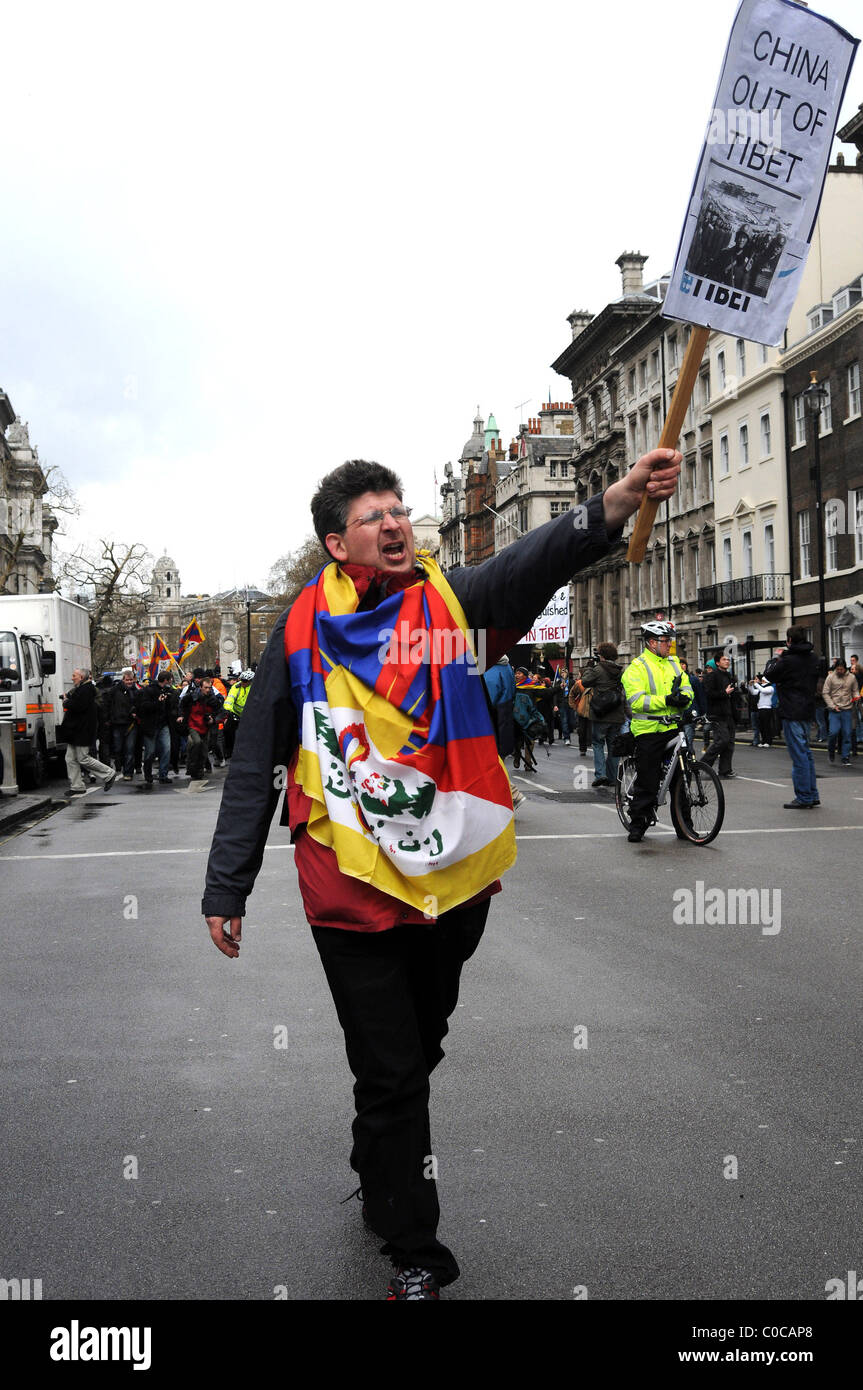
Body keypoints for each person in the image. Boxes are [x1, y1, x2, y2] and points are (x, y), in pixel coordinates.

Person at [201, 448, 681, 1299]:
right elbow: (254, 759)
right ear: (334, 545)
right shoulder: (299, 632)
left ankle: (376, 1147)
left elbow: (530, 560)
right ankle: (416, 1254)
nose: (394, 523)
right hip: (346, 884)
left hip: (449, 876)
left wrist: (612, 502)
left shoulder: (451, 605)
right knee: (392, 1071)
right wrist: (225, 886)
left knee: (419, 1048)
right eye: (373, 516)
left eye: (399, 508)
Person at [620, 621, 692, 842]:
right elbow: (636, 700)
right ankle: (638, 823)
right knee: (648, 779)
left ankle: (684, 826)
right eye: (665, 641)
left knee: (682, 777)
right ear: (651, 643)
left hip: (672, 727)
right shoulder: (637, 667)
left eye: (670, 641)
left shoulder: (673, 664)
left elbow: (687, 687)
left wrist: (685, 699)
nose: (669, 645)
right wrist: (666, 700)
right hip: (648, 729)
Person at [764, 627, 821, 809]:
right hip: (807, 709)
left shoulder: (787, 660)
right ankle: (812, 794)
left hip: (791, 710)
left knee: (799, 755)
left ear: (789, 640)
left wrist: (777, 658)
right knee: (807, 753)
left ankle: (803, 796)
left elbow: (769, 674)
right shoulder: (813, 658)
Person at [58, 668, 117, 797]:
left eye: (74, 676)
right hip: (76, 731)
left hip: (82, 731)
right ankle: (77, 786)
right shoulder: (82, 689)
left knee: (83, 758)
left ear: (81, 677)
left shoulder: (86, 690)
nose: (72, 678)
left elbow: (78, 706)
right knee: (70, 758)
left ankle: (109, 773)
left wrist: (67, 701)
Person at [579, 641, 625, 787]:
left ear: (602, 655)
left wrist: (589, 668)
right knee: (613, 746)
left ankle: (601, 774)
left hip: (601, 712)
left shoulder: (598, 669)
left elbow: (585, 682)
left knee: (598, 743)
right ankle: (612, 778)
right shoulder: (620, 670)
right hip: (617, 713)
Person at [483, 657, 522, 809]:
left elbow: (486, 699)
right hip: (504, 723)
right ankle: (509, 796)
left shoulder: (488, 669)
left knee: (489, 765)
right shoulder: (507, 669)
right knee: (495, 763)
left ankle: (511, 795)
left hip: (491, 724)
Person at [135, 671, 176, 785]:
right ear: (166, 680)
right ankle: (148, 773)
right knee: (150, 752)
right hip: (151, 726)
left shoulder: (168, 691)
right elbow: (145, 707)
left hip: (163, 724)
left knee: (167, 749)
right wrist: (158, 702)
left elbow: (171, 706)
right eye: (170, 680)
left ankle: (163, 774)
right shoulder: (149, 691)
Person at [179, 675, 222, 781]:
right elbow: (182, 704)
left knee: (204, 750)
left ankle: (199, 771)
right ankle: (191, 766)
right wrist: (181, 715)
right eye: (206, 687)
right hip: (193, 725)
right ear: (201, 687)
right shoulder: (192, 696)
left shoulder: (212, 699)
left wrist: (214, 719)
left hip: (205, 726)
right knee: (196, 742)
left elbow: (220, 711)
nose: (208, 690)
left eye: (209, 687)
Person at [701, 653, 737, 779]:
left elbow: (732, 696)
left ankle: (725, 770)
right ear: (717, 662)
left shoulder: (729, 676)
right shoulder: (712, 676)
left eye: (728, 659)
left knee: (730, 743)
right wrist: (724, 693)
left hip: (729, 714)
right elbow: (709, 694)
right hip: (717, 714)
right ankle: (704, 764)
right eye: (724, 659)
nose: (727, 661)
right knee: (722, 740)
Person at [823, 659, 858, 767]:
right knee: (833, 733)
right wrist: (833, 706)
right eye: (837, 669)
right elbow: (825, 693)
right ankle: (831, 751)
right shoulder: (830, 677)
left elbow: (855, 690)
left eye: (841, 669)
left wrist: (856, 697)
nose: (839, 671)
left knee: (847, 734)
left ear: (845, 668)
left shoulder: (852, 677)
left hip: (847, 709)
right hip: (834, 710)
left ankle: (845, 757)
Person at [109, 669, 138, 780]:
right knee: (118, 748)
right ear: (123, 680)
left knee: (130, 749)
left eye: (131, 680)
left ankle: (128, 772)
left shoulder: (136, 691)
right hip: (117, 723)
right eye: (127, 680)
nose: (129, 682)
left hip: (131, 724)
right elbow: (108, 703)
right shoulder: (114, 690)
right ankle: (119, 766)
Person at [748, 674, 775, 748]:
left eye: (763, 681)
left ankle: (768, 741)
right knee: (762, 726)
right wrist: (750, 685)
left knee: (766, 726)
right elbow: (753, 692)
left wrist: (756, 683)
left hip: (767, 708)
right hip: (760, 709)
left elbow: (763, 690)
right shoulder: (761, 688)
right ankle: (763, 741)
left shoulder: (770, 688)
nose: (761, 682)